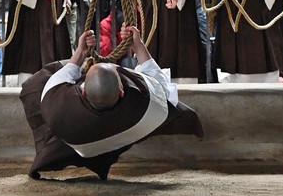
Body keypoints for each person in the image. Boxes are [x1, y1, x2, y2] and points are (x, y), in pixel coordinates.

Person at [20, 25, 204, 180]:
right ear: (123, 91)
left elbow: (67, 71)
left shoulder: (56, 105)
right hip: (129, 126)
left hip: (77, 135)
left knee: (37, 85)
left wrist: (80, 52)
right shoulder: (148, 104)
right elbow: (160, 83)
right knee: (150, 93)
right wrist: (137, 46)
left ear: (82, 92)